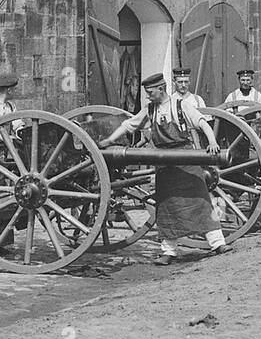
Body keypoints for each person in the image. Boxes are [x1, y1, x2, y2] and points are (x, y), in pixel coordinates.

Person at [99, 72, 232, 264]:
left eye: (150, 92)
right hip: (163, 163)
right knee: (167, 208)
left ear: (161, 89)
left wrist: (212, 142)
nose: (147, 96)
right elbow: (129, 125)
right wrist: (110, 140)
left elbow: (202, 122)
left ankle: (218, 243)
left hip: (186, 159)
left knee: (200, 201)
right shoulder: (150, 110)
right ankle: (169, 252)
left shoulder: (181, 105)